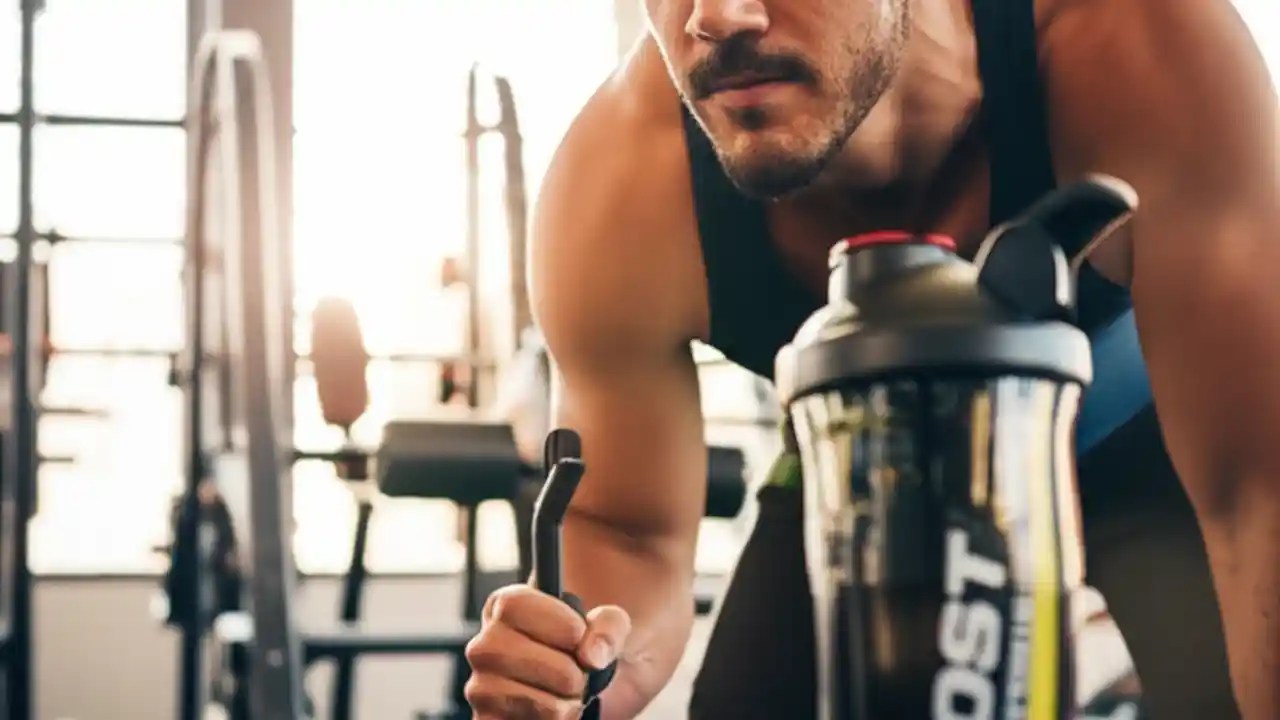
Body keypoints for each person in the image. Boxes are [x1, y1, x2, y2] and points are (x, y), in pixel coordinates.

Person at [464, 0, 1280, 717]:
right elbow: (630, 534)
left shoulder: (1139, 44)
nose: (717, 16)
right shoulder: (624, 184)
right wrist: (579, 664)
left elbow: (1259, 492)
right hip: (858, 464)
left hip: (1163, 451)